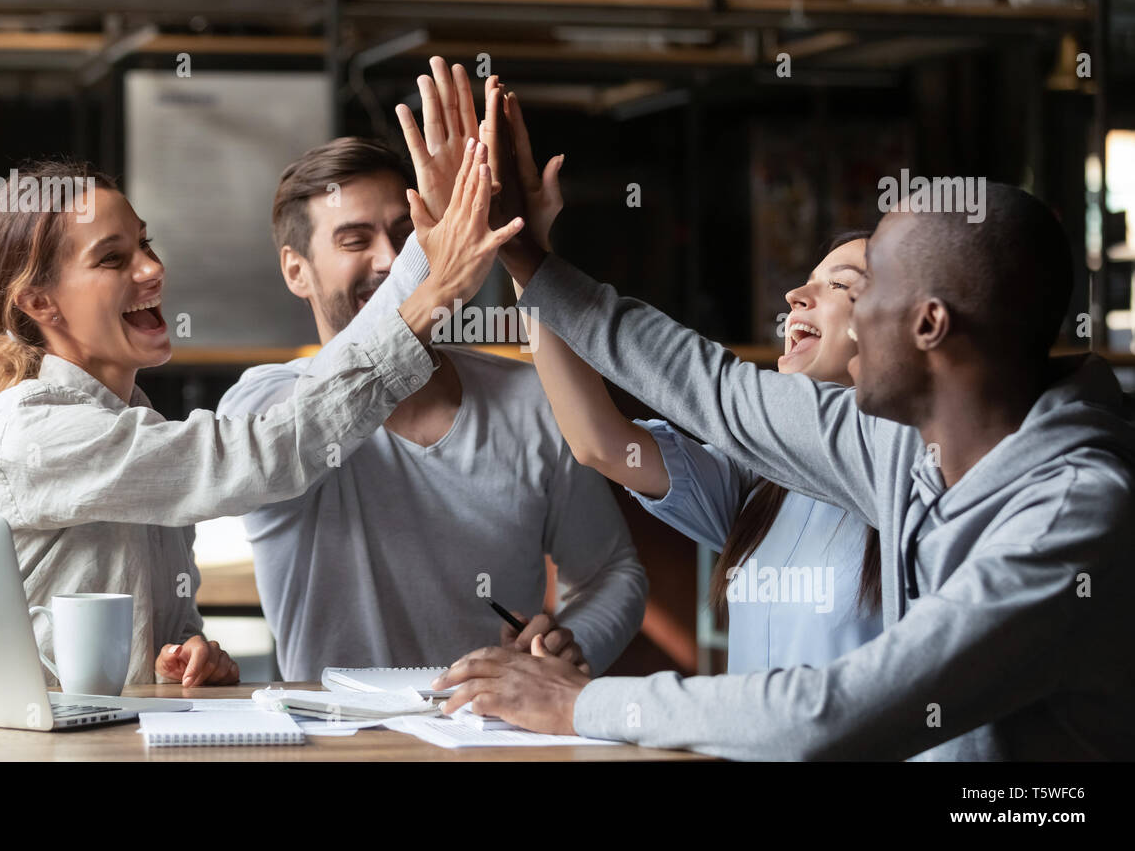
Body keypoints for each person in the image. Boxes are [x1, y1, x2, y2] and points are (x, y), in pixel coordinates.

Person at [432, 90, 1135, 760]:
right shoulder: (899, 448)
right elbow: (711, 385)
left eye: (865, 289)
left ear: (929, 325)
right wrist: (527, 255)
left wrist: (579, 703)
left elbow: (833, 712)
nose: (825, 304)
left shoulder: (1068, 517)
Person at [0, 150, 522, 688]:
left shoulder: (136, 420)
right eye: (112, 259)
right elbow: (261, 455)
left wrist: (185, 653)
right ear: (39, 303)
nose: (151, 269)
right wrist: (425, 297)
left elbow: (166, 625)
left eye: (144, 243)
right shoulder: (33, 429)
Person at [218, 59, 646, 681]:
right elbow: (346, 381)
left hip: (496, 738)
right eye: (354, 239)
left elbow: (612, 572)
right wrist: (434, 263)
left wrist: (574, 642)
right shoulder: (267, 406)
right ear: (295, 271)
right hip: (333, 745)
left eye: (407, 232)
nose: (391, 259)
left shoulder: (529, 400)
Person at [520, 225, 881, 673]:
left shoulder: (911, 477)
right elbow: (598, 444)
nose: (794, 295)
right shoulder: (759, 482)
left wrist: (530, 262)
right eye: (808, 279)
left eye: (840, 284)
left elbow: (707, 382)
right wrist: (524, 259)